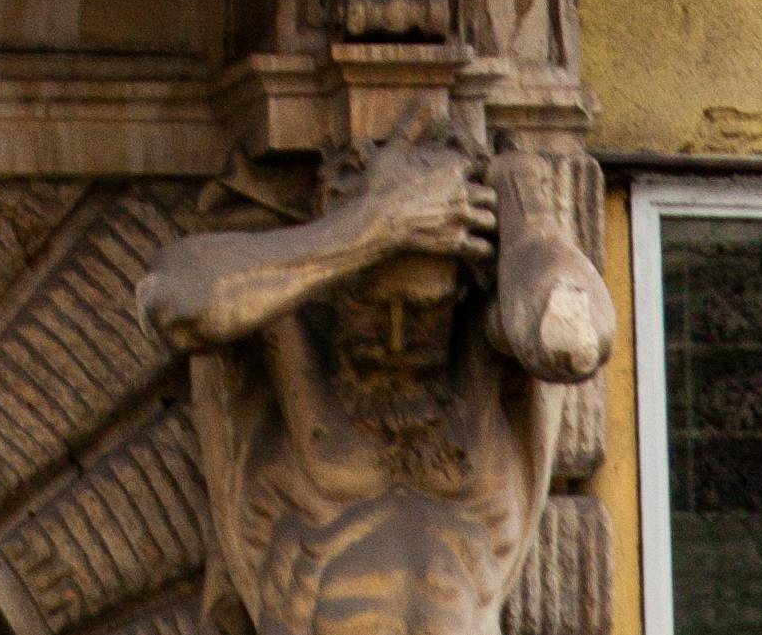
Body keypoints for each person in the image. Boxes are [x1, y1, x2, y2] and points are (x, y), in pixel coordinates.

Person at [136, 131, 614, 635]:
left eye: (425, 311)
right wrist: (370, 229)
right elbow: (173, 303)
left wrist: (522, 194)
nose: (395, 336)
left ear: (458, 297)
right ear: (332, 288)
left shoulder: (487, 355)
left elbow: (572, 339)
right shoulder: (285, 334)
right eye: (371, 306)